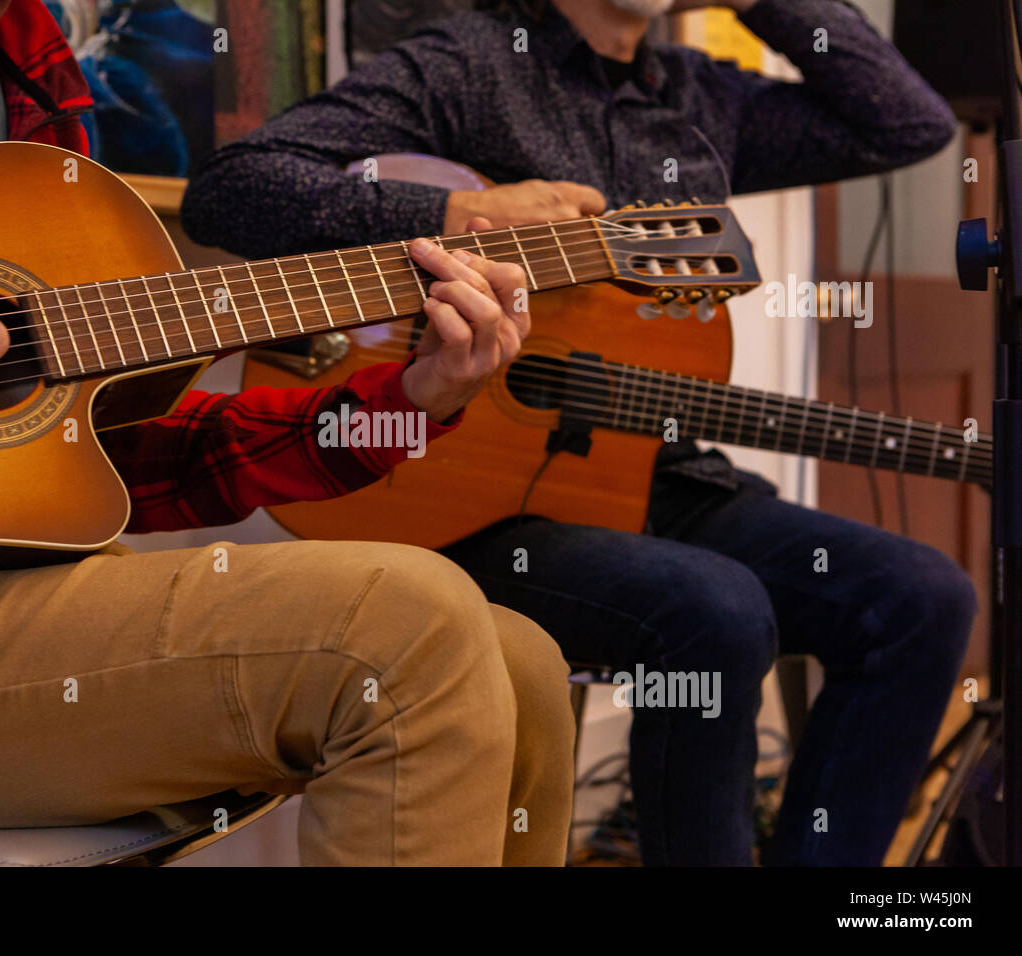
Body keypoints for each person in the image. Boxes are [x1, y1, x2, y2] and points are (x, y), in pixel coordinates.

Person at [0, 0, 578, 866]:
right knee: (408, 626)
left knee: (523, 669)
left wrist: (410, 402)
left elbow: (104, 460)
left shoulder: (37, 65)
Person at [180, 0, 978, 865]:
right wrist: (457, 219)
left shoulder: (701, 100)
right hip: (459, 497)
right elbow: (232, 189)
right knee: (715, 607)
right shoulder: (472, 61)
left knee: (919, 596)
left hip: (651, 470)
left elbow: (910, 125)